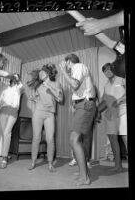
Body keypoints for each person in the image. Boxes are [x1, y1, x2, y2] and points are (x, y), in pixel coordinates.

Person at [58, 53, 97, 185]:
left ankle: (84, 178)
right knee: (76, 139)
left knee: (73, 139)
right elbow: (79, 88)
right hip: (82, 104)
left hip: (85, 105)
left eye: (66, 63)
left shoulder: (78, 66)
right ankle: (83, 172)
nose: (65, 66)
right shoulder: (77, 69)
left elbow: (74, 85)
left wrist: (63, 70)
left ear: (69, 61)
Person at [27, 64, 63, 172]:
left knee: (50, 139)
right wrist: (32, 98)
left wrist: (50, 88)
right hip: (38, 112)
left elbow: (60, 99)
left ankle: (50, 163)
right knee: (36, 138)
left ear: (47, 73)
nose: (40, 74)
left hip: (50, 114)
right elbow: (33, 97)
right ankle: (33, 162)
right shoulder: (38, 85)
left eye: (42, 72)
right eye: (40, 72)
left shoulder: (56, 83)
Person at [96, 63, 127, 172]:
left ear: (113, 69)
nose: (107, 72)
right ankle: (118, 166)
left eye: (109, 69)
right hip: (111, 114)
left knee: (125, 138)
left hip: (123, 111)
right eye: (105, 71)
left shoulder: (122, 80)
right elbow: (104, 101)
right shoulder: (106, 86)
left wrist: (119, 100)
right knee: (112, 139)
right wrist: (98, 112)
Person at [0, 74, 24, 169]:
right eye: (14, 77)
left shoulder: (18, 88)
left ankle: (4, 158)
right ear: (10, 79)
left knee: (7, 133)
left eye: (17, 77)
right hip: (3, 111)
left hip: (13, 111)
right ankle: (6, 153)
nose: (15, 78)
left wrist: (17, 78)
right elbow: (0, 100)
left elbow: (21, 85)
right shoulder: (4, 89)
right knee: (4, 134)